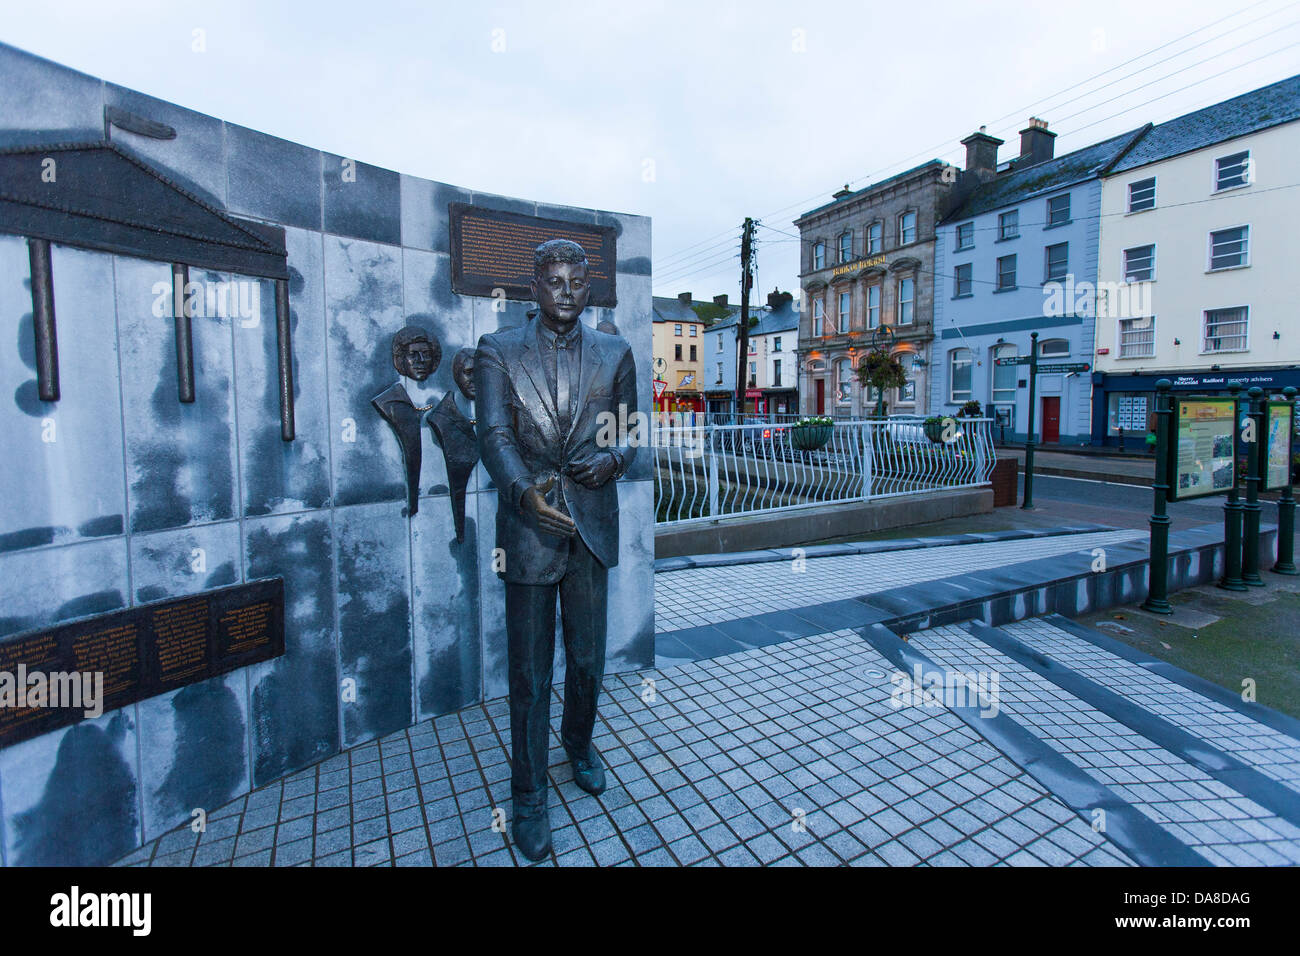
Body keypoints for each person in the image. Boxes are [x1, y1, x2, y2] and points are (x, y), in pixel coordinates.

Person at [474, 239, 637, 861]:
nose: (565, 291)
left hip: (591, 523)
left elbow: (630, 432)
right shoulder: (498, 350)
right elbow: (493, 433)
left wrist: (612, 458)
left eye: (576, 282)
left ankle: (578, 742)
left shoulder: (615, 352)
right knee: (529, 671)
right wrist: (521, 494)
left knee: (589, 659)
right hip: (530, 525)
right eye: (554, 281)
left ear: (587, 288)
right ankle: (528, 794)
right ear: (533, 287)